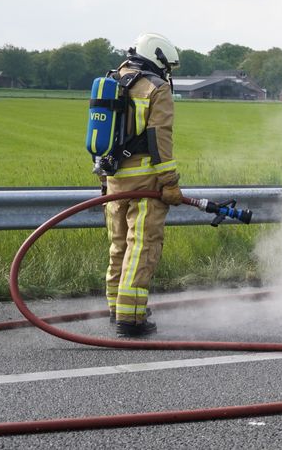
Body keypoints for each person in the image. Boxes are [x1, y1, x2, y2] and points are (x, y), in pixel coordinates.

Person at [102, 33, 182, 337]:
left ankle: (115, 307)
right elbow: (159, 139)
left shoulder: (112, 81)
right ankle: (131, 318)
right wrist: (169, 183)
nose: (167, 73)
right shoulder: (156, 88)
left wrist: (103, 177)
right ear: (158, 58)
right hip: (145, 179)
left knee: (118, 243)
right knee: (142, 245)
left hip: (113, 178)